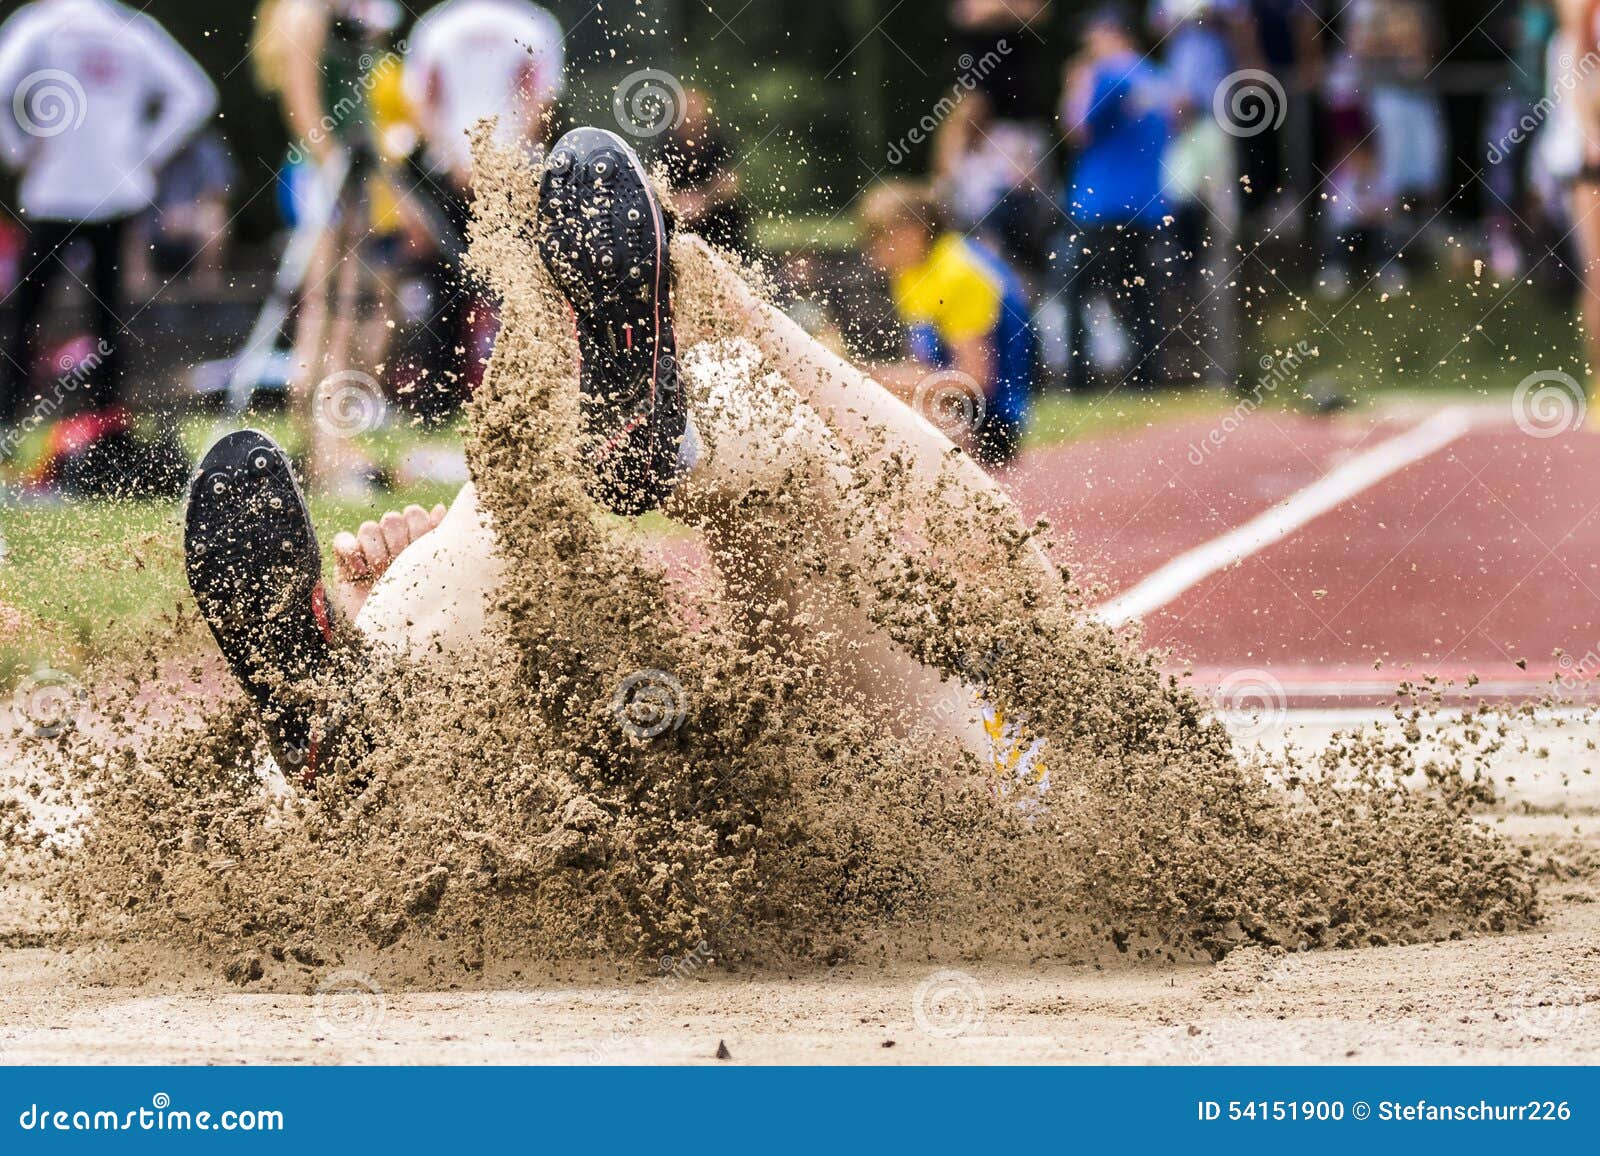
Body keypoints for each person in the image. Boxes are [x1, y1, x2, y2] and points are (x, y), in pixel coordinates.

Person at [182, 127, 1052, 796]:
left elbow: (1009, 567)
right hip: (748, 801)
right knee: (716, 432)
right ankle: (380, 683)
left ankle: (371, 701)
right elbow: (996, 547)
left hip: (909, 796)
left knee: (566, 479)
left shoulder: (1089, 782)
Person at [0, 0, 215, 433]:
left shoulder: (43, 24)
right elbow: (197, 94)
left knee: (27, 314)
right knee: (109, 320)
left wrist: (17, 150)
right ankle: (107, 425)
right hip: (116, 192)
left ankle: (10, 416)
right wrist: (146, 152)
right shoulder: (132, 28)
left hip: (54, 190)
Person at [859, 181, 1038, 466]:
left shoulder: (958, 273)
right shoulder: (911, 273)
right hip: (951, 408)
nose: (873, 253)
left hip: (991, 422)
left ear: (912, 233)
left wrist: (872, 377)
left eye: (879, 238)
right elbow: (924, 365)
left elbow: (974, 381)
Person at [1053, 8, 1173, 391]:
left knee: (1074, 291)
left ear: (1110, 35)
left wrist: (1076, 82)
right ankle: (1145, 378)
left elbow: (1076, 128)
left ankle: (1078, 381)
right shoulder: (1156, 77)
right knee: (1137, 292)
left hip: (1100, 203)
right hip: (1145, 202)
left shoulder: (1105, 74)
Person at [657, 88, 749, 256]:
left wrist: (706, 200)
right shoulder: (666, 144)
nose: (692, 118)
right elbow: (655, 183)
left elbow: (732, 181)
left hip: (718, 220)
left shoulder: (717, 139)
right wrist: (677, 203)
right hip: (680, 220)